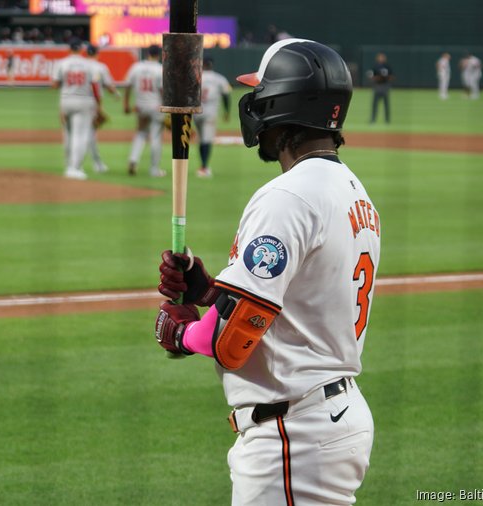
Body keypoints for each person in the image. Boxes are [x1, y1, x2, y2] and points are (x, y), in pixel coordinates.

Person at [154, 39, 380, 505]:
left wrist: (183, 334)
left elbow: (231, 341)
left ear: (280, 104)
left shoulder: (288, 195)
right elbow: (297, 305)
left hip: (294, 434)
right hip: (325, 417)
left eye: (261, 92)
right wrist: (209, 289)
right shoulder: (354, 192)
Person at [51, 39, 102, 180]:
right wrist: (98, 106)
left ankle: (68, 166)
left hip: (66, 101)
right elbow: (95, 87)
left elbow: (54, 84)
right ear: (81, 49)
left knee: (68, 135)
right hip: (84, 101)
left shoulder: (61, 63)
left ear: (69, 49)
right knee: (80, 136)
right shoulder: (88, 64)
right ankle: (75, 168)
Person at [123, 45, 165, 177]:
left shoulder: (136, 67)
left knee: (141, 134)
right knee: (156, 137)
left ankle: (133, 159)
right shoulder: (160, 69)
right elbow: (162, 91)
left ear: (147, 53)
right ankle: (154, 169)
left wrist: (126, 104)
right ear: (159, 55)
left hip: (140, 106)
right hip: (156, 107)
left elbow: (128, 86)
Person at [193, 57, 232, 178]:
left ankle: (202, 165)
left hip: (196, 112)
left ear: (202, 65)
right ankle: (204, 167)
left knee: (201, 139)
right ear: (212, 65)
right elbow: (226, 96)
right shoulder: (219, 78)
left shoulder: (196, 77)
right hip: (210, 113)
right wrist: (227, 112)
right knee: (207, 140)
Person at [86, 44, 120, 174]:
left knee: (75, 135)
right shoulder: (100, 67)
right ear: (97, 53)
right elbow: (108, 86)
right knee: (90, 135)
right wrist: (116, 94)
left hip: (75, 101)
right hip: (92, 104)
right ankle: (97, 164)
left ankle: (71, 165)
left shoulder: (81, 66)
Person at [367, 52, 393, 123]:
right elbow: (370, 76)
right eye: (380, 57)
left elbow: (392, 77)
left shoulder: (387, 66)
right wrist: (378, 78)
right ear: (377, 58)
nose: (381, 59)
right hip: (377, 87)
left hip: (385, 87)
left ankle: (387, 120)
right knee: (375, 104)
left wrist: (385, 78)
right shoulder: (375, 66)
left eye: (382, 57)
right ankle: (373, 119)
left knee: (386, 104)